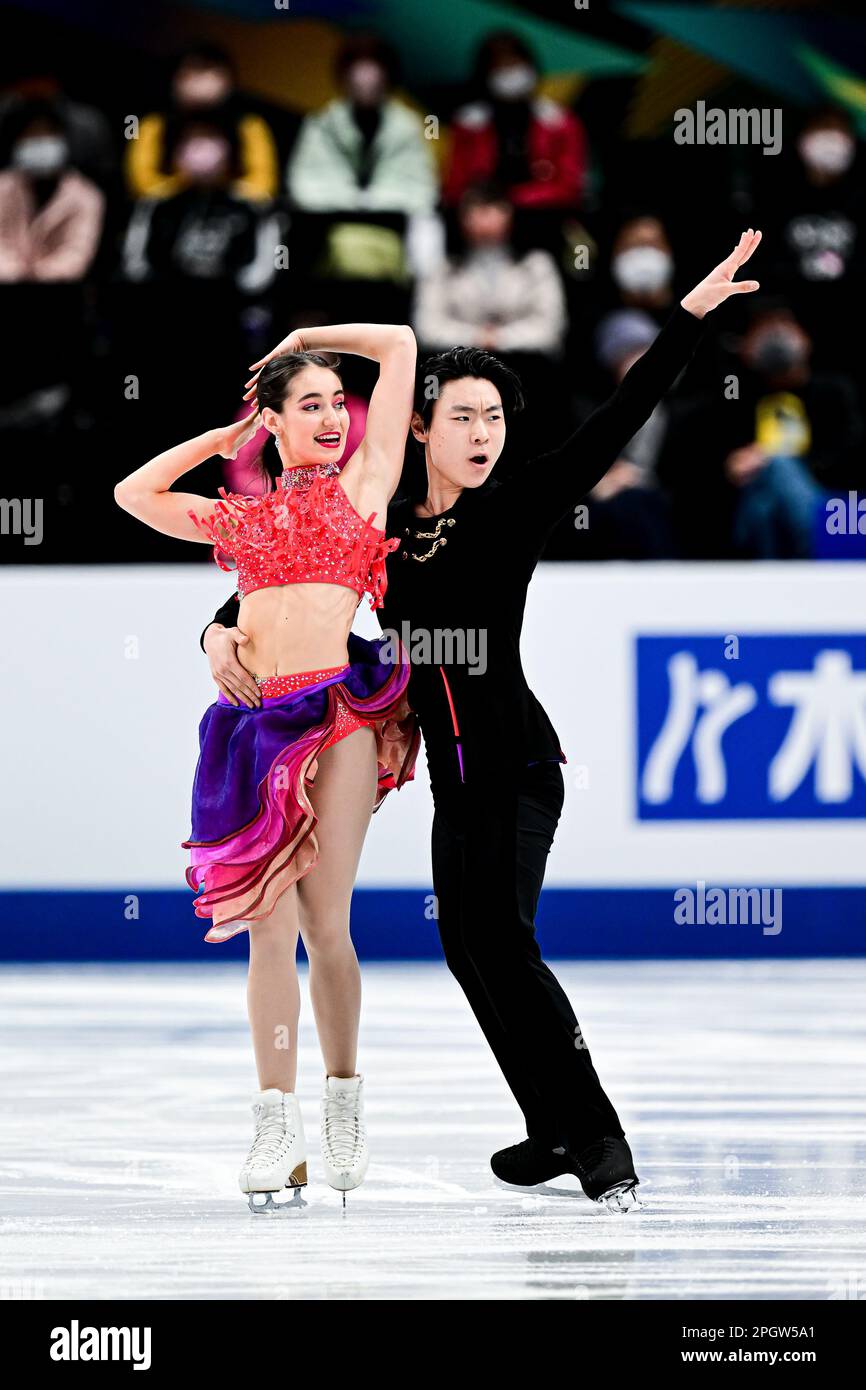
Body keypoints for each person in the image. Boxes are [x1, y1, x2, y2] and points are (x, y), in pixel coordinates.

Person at [200, 231, 764, 1211]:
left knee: (500, 938)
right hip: (452, 777)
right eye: (460, 416)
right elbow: (289, 585)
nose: (481, 432)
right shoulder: (376, 523)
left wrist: (685, 318)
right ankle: (548, 1123)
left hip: (513, 763)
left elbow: (622, 412)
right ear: (418, 429)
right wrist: (216, 632)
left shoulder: (520, 502)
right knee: (466, 945)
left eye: (493, 417)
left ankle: (595, 1137)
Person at [114, 324, 419, 1212]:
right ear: (275, 424)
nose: (332, 416)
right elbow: (133, 493)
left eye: (338, 403)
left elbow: (398, 344)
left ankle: (344, 1100)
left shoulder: (367, 490)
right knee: (266, 929)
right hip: (254, 726)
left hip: (338, 715)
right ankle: (274, 1123)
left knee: (328, 924)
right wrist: (220, 441)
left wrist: (309, 338)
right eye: (311, 404)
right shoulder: (241, 518)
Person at [413, 179, 566, 355]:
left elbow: (550, 329)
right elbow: (427, 329)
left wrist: (501, 339)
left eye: (492, 208)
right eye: (475, 208)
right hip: (460, 366)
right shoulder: (441, 269)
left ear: (510, 214)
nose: (484, 218)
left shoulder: (537, 265)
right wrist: (477, 338)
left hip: (526, 364)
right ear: (461, 217)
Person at [125, 42, 279, 204]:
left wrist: (225, 187)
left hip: (230, 214)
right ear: (175, 79)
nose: (201, 83)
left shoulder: (250, 124)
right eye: (191, 74)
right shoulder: (148, 123)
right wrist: (183, 182)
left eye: (211, 73)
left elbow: (265, 184)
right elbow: (138, 180)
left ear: (229, 80)